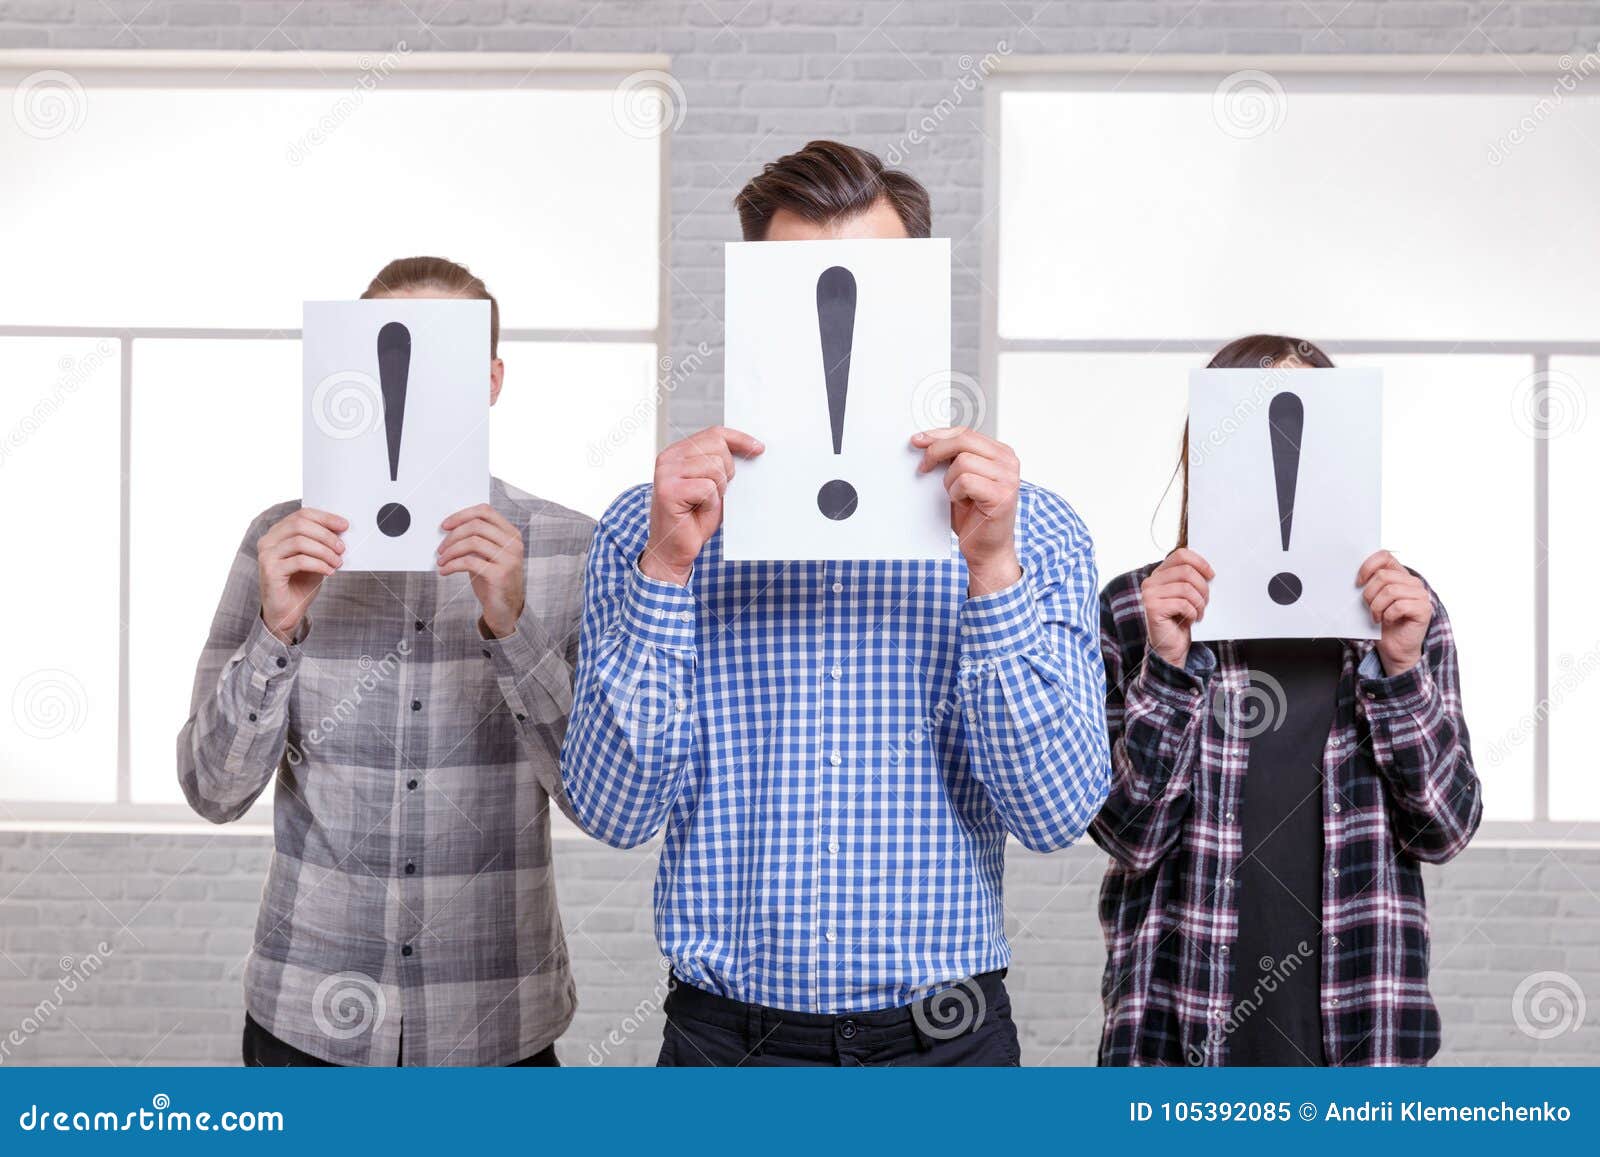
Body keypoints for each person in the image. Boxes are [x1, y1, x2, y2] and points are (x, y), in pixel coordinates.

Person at [561, 141, 1111, 1067]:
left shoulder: (1032, 529)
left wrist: (991, 573)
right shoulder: (650, 526)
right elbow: (615, 811)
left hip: (949, 1046)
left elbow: (1056, 813)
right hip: (725, 1047)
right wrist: (665, 569)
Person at [178, 257, 594, 1067]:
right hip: (304, 1021)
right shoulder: (278, 539)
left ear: (492, 379)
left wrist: (511, 624)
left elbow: (598, 800)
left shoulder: (569, 547)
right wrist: (277, 629)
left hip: (497, 1024)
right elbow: (213, 790)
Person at [1091, 333, 1481, 1067]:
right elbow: (1127, 834)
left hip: (1365, 1054)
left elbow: (1448, 830)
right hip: (1175, 1050)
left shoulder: (1402, 614)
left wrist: (1399, 671)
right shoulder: (1132, 611)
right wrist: (1168, 666)